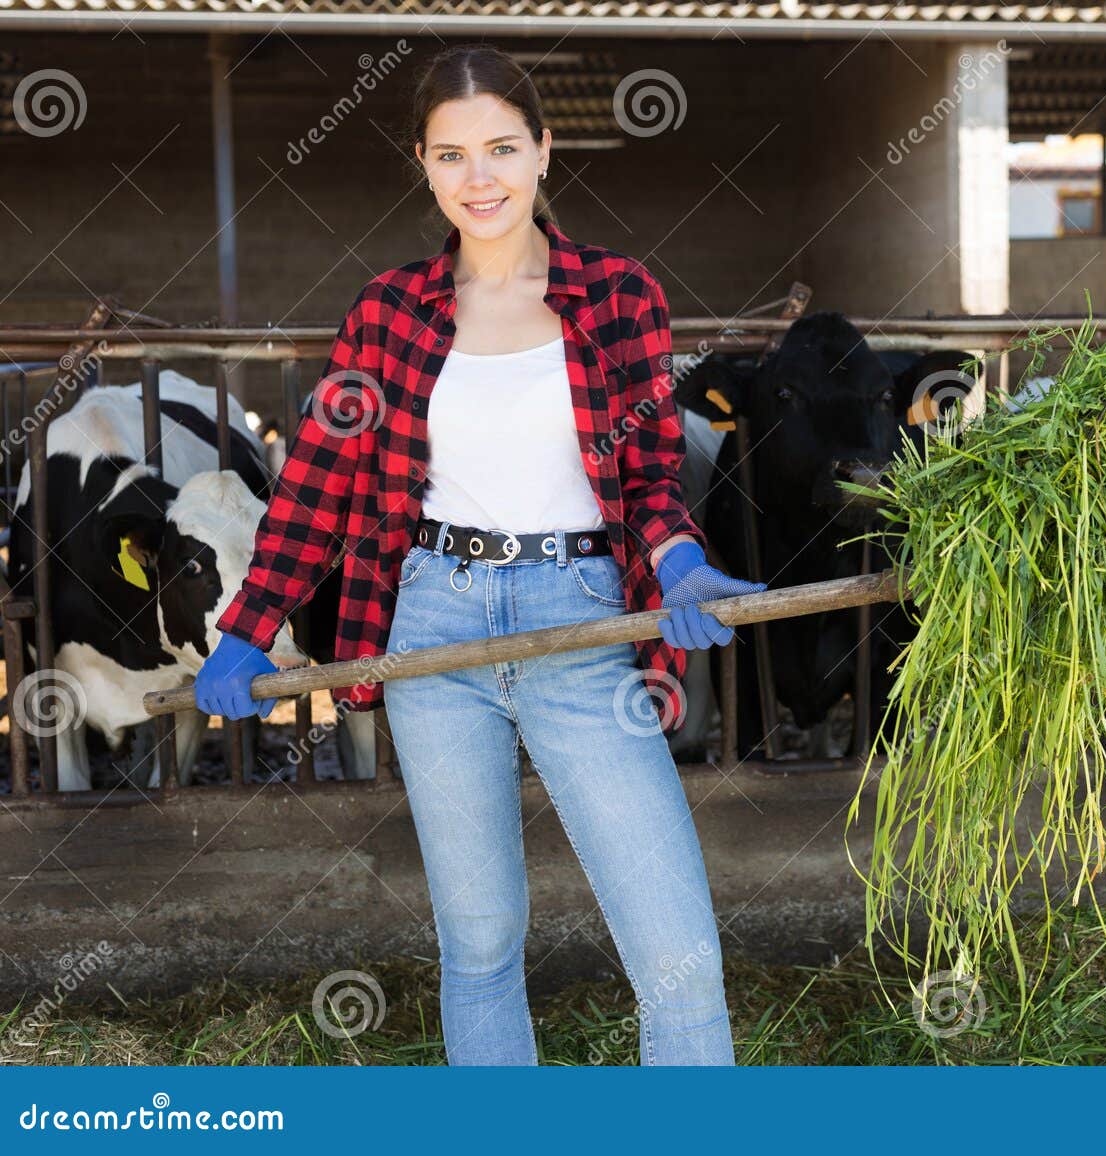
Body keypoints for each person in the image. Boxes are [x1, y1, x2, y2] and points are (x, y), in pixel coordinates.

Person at [194, 43, 764, 1066]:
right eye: (453, 155)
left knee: (677, 954)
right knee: (482, 942)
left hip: (582, 617)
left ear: (544, 152)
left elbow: (645, 478)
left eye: (502, 147)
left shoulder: (618, 297)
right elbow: (319, 484)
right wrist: (248, 628)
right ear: (424, 164)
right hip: (432, 627)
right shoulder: (386, 313)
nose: (481, 176)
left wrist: (676, 561)